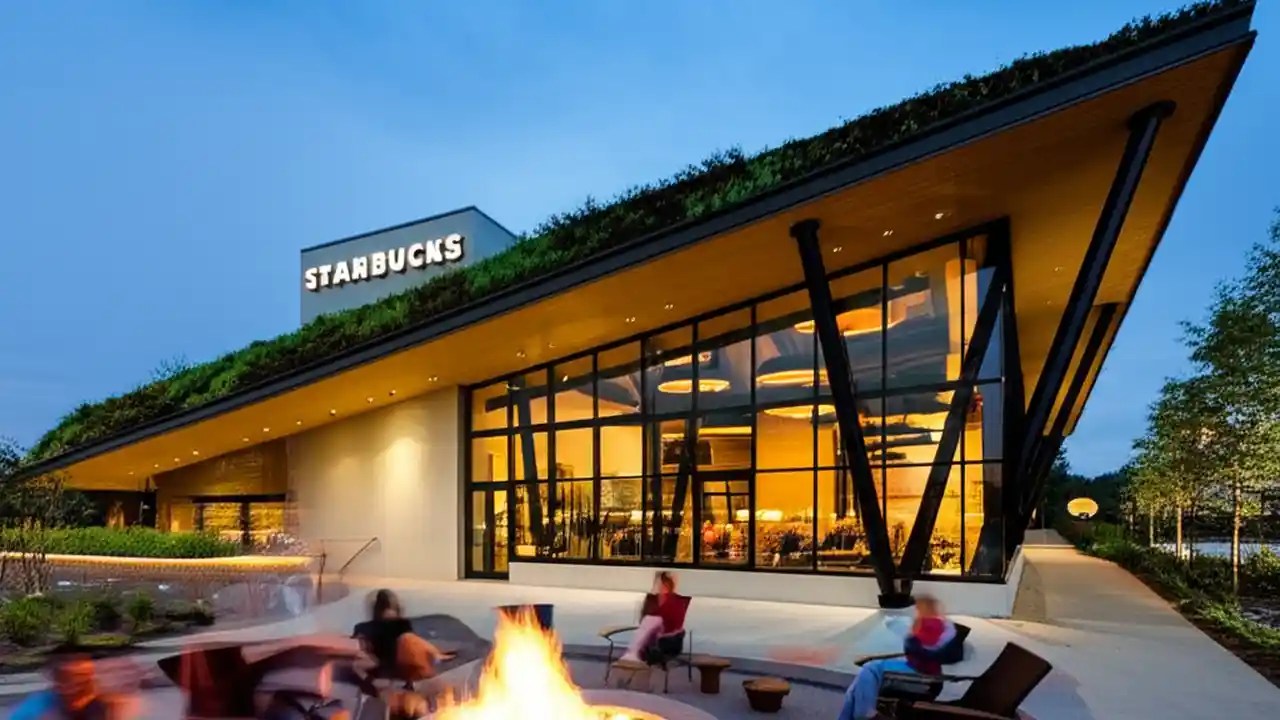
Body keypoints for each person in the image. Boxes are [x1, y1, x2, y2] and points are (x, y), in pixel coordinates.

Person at [837, 595, 956, 720]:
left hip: (923, 674)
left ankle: (866, 714)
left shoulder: (939, 627)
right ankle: (863, 714)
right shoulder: (930, 625)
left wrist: (914, 639)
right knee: (856, 688)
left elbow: (935, 650)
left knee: (870, 669)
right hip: (913, 666)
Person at [9, 656, 136, 720]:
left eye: (86, 678)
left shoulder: (100, 704)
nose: (80, 685)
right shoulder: (37, 709)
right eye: (71, 679)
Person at [617, 571, 684, 664]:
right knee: (651, 620)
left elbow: (674, 623)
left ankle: (633, 653)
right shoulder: (652, 600)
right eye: (658, 584)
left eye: (663, 584)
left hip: (668, 639)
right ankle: (634, 653)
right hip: (651, 639)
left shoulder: (675, 602)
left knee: (653, 619)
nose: (660, 587)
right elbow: (643, 621)